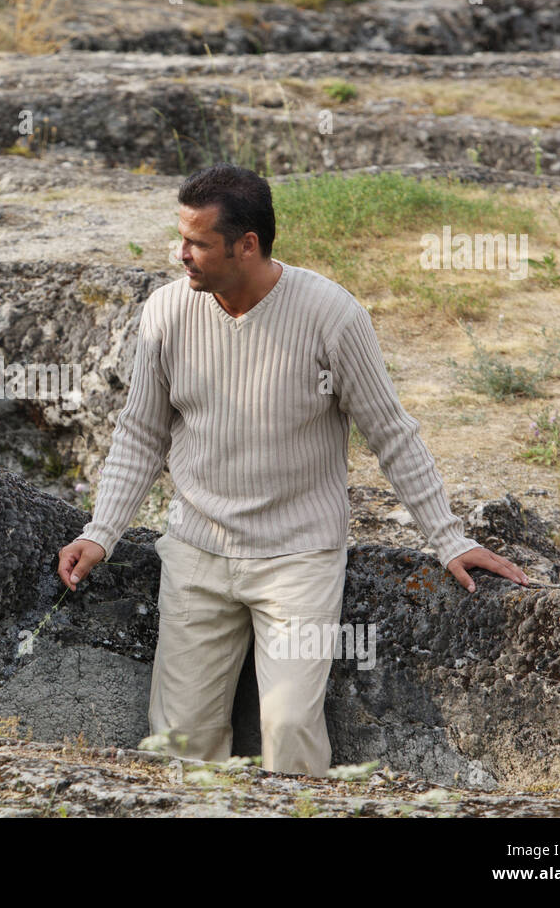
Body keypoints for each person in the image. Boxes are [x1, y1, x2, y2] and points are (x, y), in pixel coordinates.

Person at [56, 164, 529, 776]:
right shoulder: (167, 313)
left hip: (298, 561)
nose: (182, 255)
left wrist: (449, 539)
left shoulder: (332, 315)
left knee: (289, 733)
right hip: (196, 555)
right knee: (177, 744)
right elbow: (141, 434)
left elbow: (391, 432)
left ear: (246, 244)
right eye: (182, 238)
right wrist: (101, 532)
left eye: (198, 242)